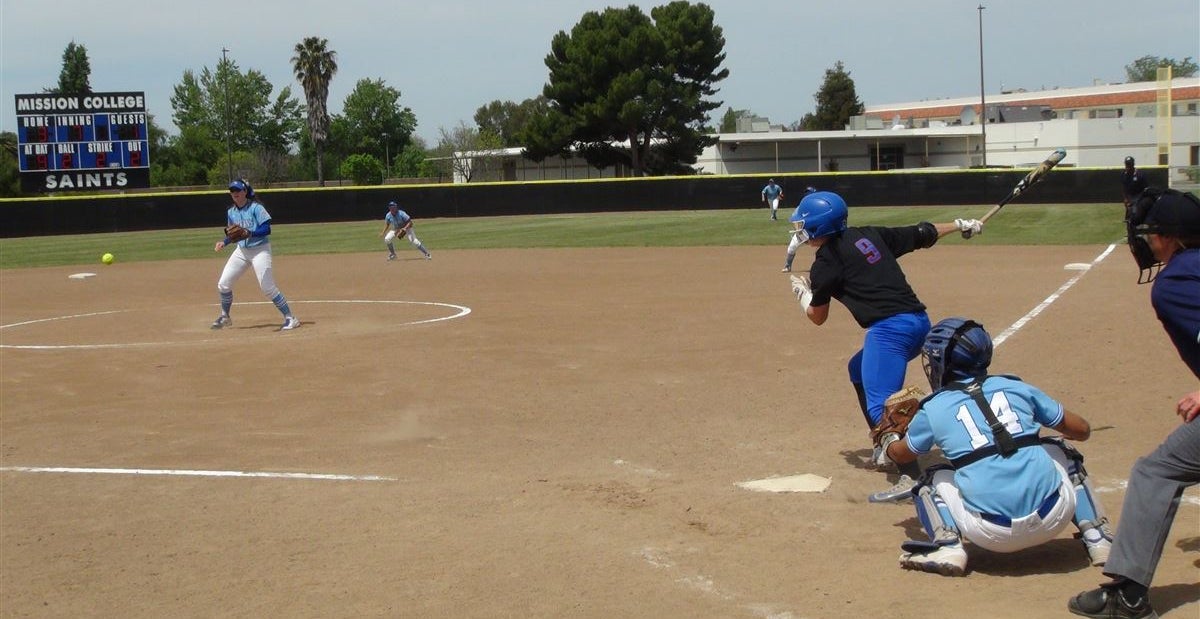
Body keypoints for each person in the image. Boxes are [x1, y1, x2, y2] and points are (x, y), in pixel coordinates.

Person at [881, 317, 1113, 576]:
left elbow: (902, 455)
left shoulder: (933, 407)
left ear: (941, 362)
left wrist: (888, 439)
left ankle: (948, 546)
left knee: (932, 476)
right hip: (1054, 517)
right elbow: (1081, 431)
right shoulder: (1017, 387)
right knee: (1062, 450)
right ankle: (1098, 538)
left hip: (990, 534)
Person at [787, 191, 983, 494]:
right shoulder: (868, 235)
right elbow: (923, 234)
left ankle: (909, 474)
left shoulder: (825, 263)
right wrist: (960, 224)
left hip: (890, 331)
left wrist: (803, 297)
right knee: (857, 368)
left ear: (817, 227)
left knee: (883, 405)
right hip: (918, 323)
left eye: (803, 223)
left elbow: (818, 317)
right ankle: (883, 443)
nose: (800, 229)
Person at [1068, 188, 1200, 619]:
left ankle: (1128, 596)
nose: (1146, 242)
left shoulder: (1176, 282)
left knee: (1156, 471)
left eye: (1152, 234)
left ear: (1171, 238)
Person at [210, 179, 300, 331]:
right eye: (232, 191)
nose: (235, 193)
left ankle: (291, 318)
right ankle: (225, 316)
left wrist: (250, 233)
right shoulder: (231, 212)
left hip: (260, 250)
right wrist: (224, 242)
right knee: (223, 284)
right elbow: (233, 233)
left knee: (267, 287)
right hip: (242, 251)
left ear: (245, 191)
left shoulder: (256, 208)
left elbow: (267, 229)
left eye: (238, 190)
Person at [781, 186, 818, 272]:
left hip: (817, 232)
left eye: (809, 193)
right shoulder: (800, 207)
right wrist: (799, 231)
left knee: (823, 249)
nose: (807, 195)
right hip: (803, 232)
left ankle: (822, 266)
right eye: (806, 193)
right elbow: (794, 219)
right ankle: (788, 266)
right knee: (791, 247)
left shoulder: (818, 205)